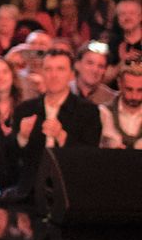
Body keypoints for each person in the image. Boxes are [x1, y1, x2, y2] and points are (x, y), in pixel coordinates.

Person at [12, 47, 103, 195]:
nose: (53, 75)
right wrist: (21, 138)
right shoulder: (25, 110)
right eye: (48, 69)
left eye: (60, 69)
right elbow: (10, 159)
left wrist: (62, 137)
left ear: (71, 74)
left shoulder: (88, 112)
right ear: (42, 73)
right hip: (29, 193)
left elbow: (90, 159)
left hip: (70, 191)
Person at [101, 66, 142, 150]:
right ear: (120, 84)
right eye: (129, 89)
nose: (134, 96)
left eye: (140, 90)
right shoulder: (103, 112)